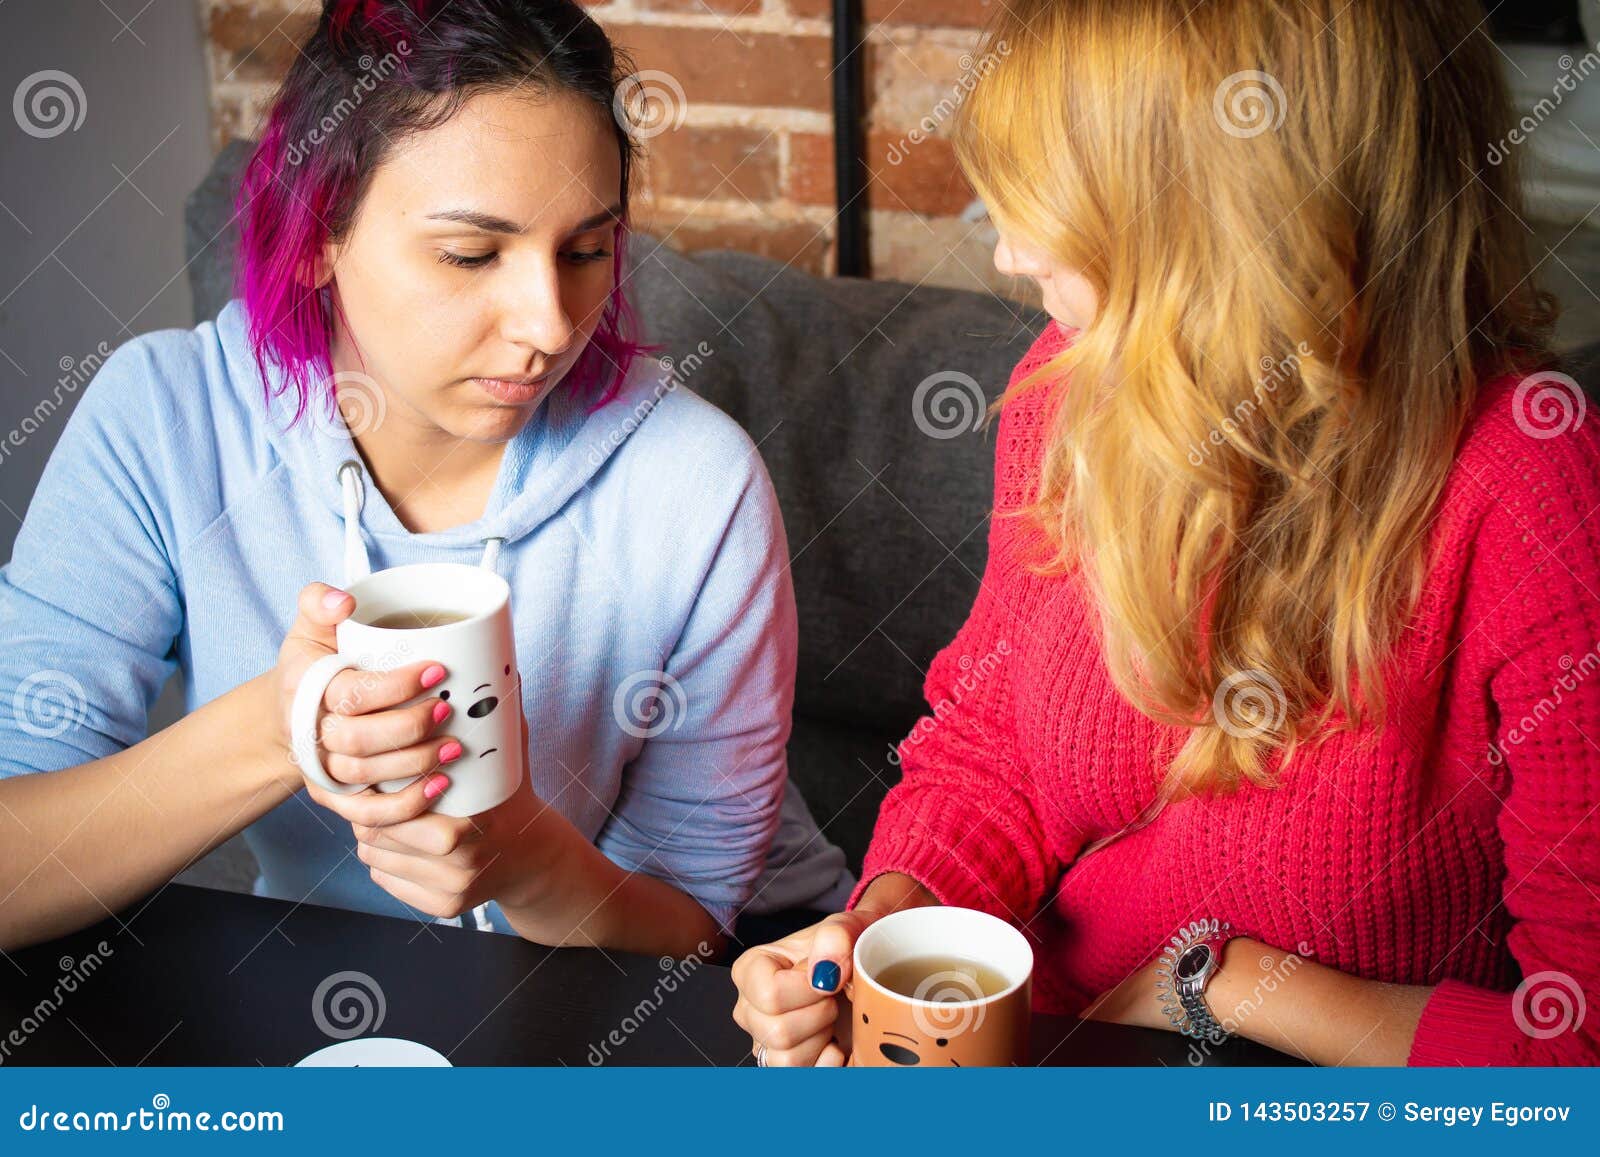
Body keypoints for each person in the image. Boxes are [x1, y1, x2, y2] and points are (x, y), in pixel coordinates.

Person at [732, 0, 1600, 1066]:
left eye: (1066, 206)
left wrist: (1220, 984)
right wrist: (892, 925)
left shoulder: (1527, 483)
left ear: (1233, 221)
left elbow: (1579, 1045)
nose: (1008, 251)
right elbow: (987, 748)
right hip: (1060, 1047)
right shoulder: (1069, 391)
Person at [0, 0, 851, 957]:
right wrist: (282, 729)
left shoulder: (698, 484)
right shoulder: (162, 419)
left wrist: (529, 860)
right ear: (320, 232)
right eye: (469, 253)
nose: (548, 326)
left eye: (586, 250)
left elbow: (694, 927)